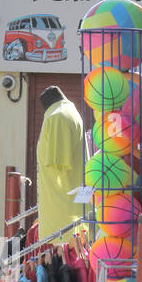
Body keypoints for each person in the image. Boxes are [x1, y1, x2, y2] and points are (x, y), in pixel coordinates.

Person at [35, 86, 85, 239]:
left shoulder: (57, 117)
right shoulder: (69, 112)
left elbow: (59, 168)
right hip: (71, 212)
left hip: (62, 218)